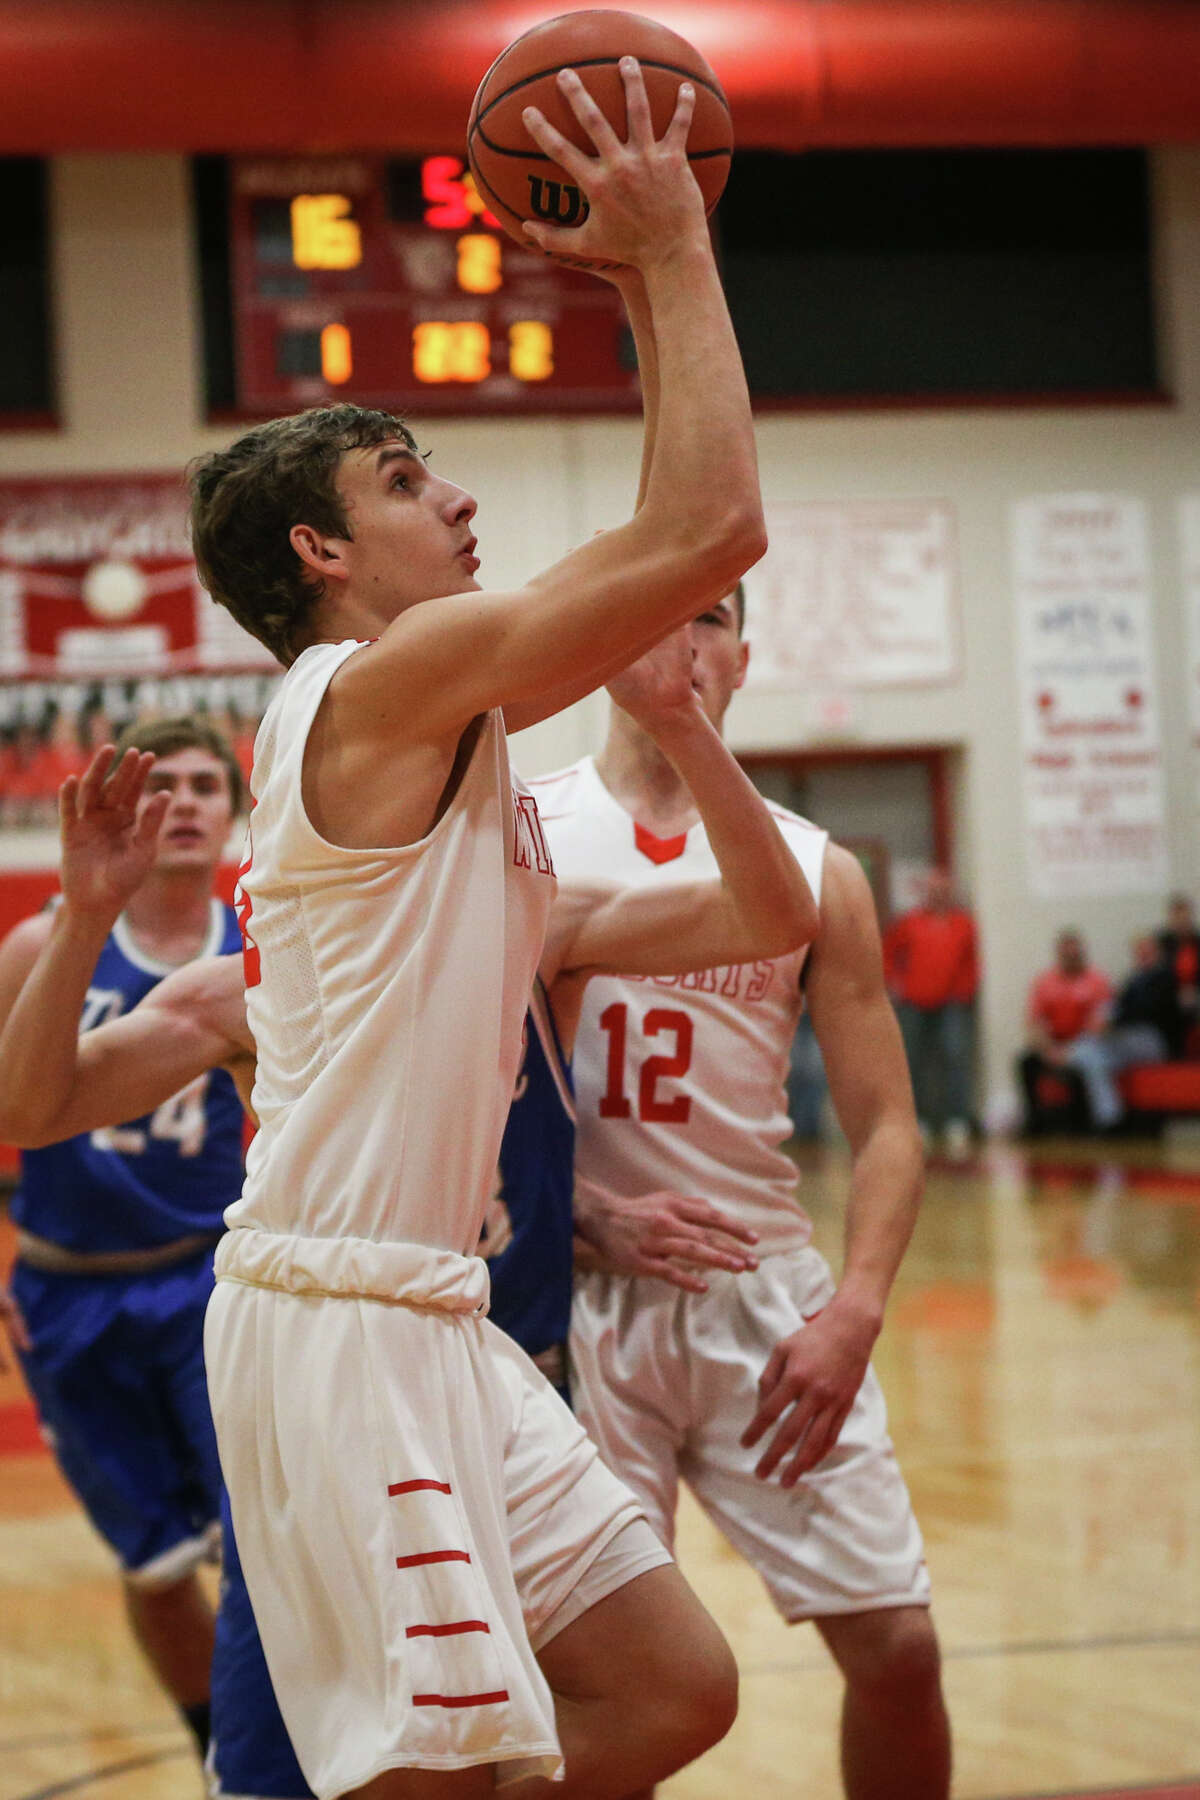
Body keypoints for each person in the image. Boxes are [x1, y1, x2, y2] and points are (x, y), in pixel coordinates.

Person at [183, 59, 780, 1800]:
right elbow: (709, 531)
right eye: (404, 479)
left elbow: (761, 905)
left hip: (436, 1315)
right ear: (322, 550)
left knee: (671, 1690)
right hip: (337, 1321)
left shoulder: (457, 754)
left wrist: (652, 290)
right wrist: (669, 253)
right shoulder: (372, 687)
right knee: (445, 1772)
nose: (455, 500)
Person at [0, 629, 815, 1800]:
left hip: (504, 1375)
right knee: (338, 1765)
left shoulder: (528, 923)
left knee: (655, 1697)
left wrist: (683, 726)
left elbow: (769, 914)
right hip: (344, 1383)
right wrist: (84, 918)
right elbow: (32, 1107)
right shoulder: (249, 987)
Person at [531, 586, 953, 1800]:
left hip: (760, 1297)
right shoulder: (523, 831)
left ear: (745, 656)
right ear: (601, 646)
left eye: (710, 617)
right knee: (619, 1695)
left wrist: (855, 1309)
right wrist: (574, 1220)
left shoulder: (814, 868)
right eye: (657, 612)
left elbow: (887, 1126)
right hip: (576, 1299)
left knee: (901, 1649)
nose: (682, 640)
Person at [0, 715, 244, 1770]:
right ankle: (215, 1751)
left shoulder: (261, 946)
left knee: (261, 1545)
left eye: (204, 784)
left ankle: (272, 1754)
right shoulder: (41, 946)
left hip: (211, 1288)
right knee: (155, 1563)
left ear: (235, 813)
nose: (182, 803)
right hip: (70, 1294)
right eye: (160, 785)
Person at [883, 866, 979, 1158]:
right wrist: (895, 983)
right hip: (913, 1003)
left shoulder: (964, 923)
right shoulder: (909, 922)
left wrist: (964, 993)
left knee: (955, 1058)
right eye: (933, 889)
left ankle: (957, 1120)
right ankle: (919, 1120)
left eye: (943, 889)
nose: (938, 894)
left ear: (950, 892)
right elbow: (887, 955)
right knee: (913, 1061)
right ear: (926, 892)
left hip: (952, 1004)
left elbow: (971, 963)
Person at [1064, 934, 1183, 1132]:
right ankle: (1109, 1120)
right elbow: (1116, 1006)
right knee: (1093, 1057)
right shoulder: (1134, 980)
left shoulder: (1166, 977)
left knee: (1088, 1048)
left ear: (1158, 952)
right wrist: (1102, 1020)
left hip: (1154, 1042)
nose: (1143, 955)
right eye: (1139, 951)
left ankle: (1071, 1052)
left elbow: (1145, 1010)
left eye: (1148, 950)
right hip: (1129, 1041)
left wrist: (1111, 1023)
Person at [1017, 929, 1112, 1135]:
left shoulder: (1097, 981)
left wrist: (1070, 1050)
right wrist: (1048, 1049)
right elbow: (1035, 1022)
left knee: (1085, 1060)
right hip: (1053, 1044)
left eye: (1074, 954)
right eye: (1066, 955)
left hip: (1084, 1044)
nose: (1071, 958)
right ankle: (1035, 1122)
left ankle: (1087, 1124)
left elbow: (1100, 1024)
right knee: (1026, 1062)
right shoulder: (1045, 982)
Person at [1157, 894, 1200, 1051]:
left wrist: (1193, 991)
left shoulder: (1196, 941)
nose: (1181, 922)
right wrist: (1177, 991)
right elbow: (1158, 974)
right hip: (1170, 995)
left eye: (1185, 917)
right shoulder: (1162, 943)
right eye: (1178, 918)